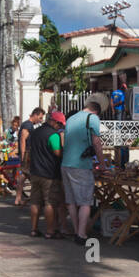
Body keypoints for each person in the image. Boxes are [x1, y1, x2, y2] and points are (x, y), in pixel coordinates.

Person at [61, 100, 107, 245]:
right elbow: (96, 142)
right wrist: (102, 164)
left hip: (66, 164)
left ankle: (76, 231)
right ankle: (81, 234)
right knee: (85, 202)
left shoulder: (71, 118)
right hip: (80, 165)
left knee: (71, 201)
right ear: (96, 112)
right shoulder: (92, 118)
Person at [28, 109, 65, 238]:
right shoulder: (53, 135)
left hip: (35, 172)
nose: (60, 127)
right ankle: (50, 231)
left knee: (35, 201)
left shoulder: (35, 132)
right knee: (50, 203)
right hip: (49, 174)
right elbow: (58, 153)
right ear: (54, 122)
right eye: (59, 124)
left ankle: (33, 229)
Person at [14, 106, 43, 207]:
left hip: (27, 154)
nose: (40, 120)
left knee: (23, 177)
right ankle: (35, 199)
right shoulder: (28, 125)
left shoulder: (28, 124)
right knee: (31, 176)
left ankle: (18, 199)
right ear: (35, 115)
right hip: (27, 155)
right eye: (40, 118)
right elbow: (23, 139)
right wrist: (23, 155)